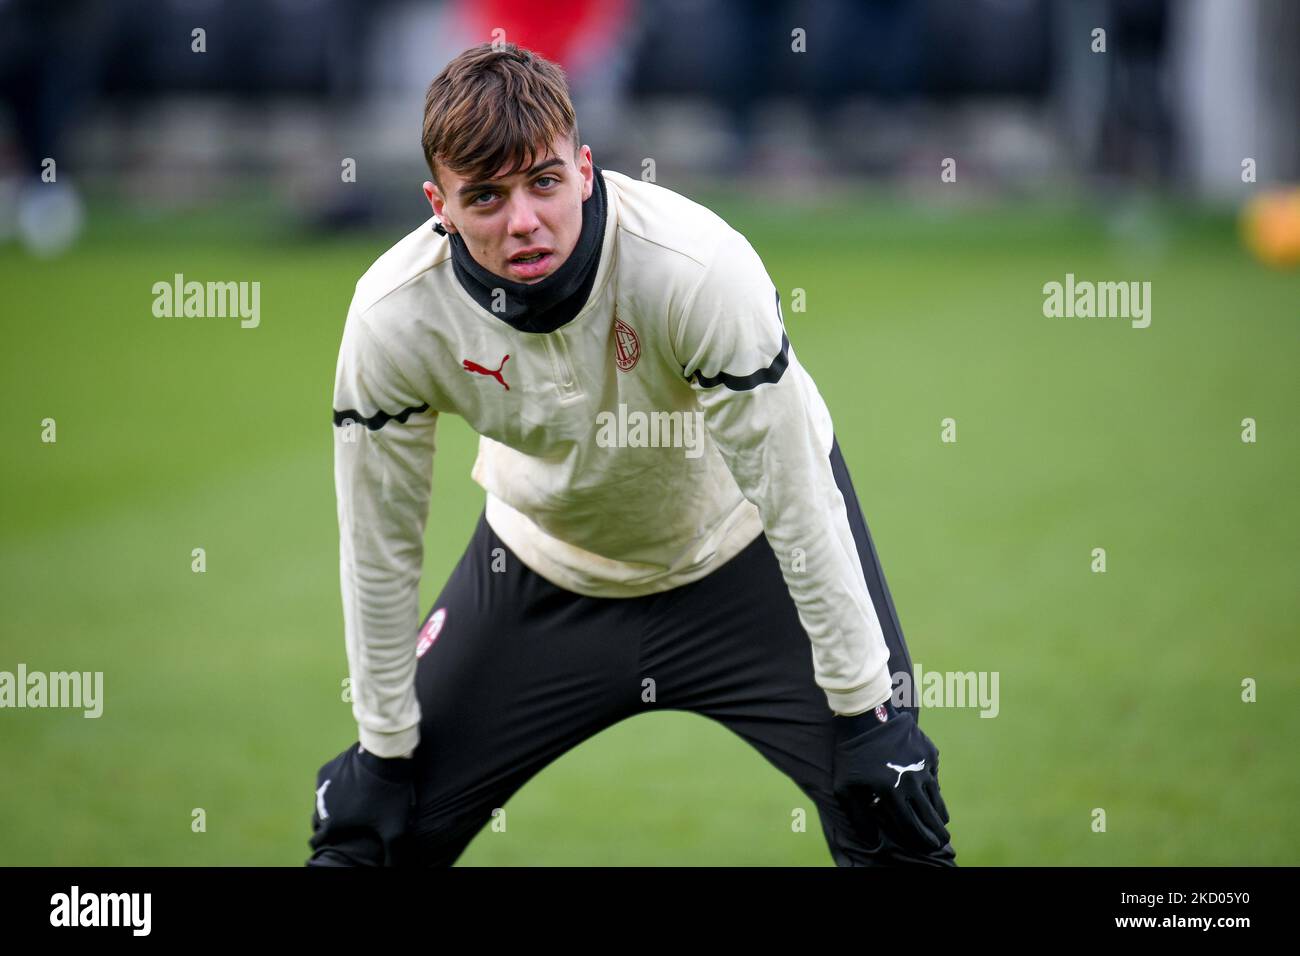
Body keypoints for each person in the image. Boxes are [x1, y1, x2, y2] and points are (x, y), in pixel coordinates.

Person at [308, 41, 954, 867]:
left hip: (743, 554)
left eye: (543, 182)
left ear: (583, 168)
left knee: (893, 819)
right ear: (439, 204)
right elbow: (378, 542)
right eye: (485, 198)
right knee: (367, 841)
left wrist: (869, 713)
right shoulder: (394, 315)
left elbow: (797, 493)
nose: (522, 222)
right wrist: (382, 744)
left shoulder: (696, 267)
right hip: (536, 574)